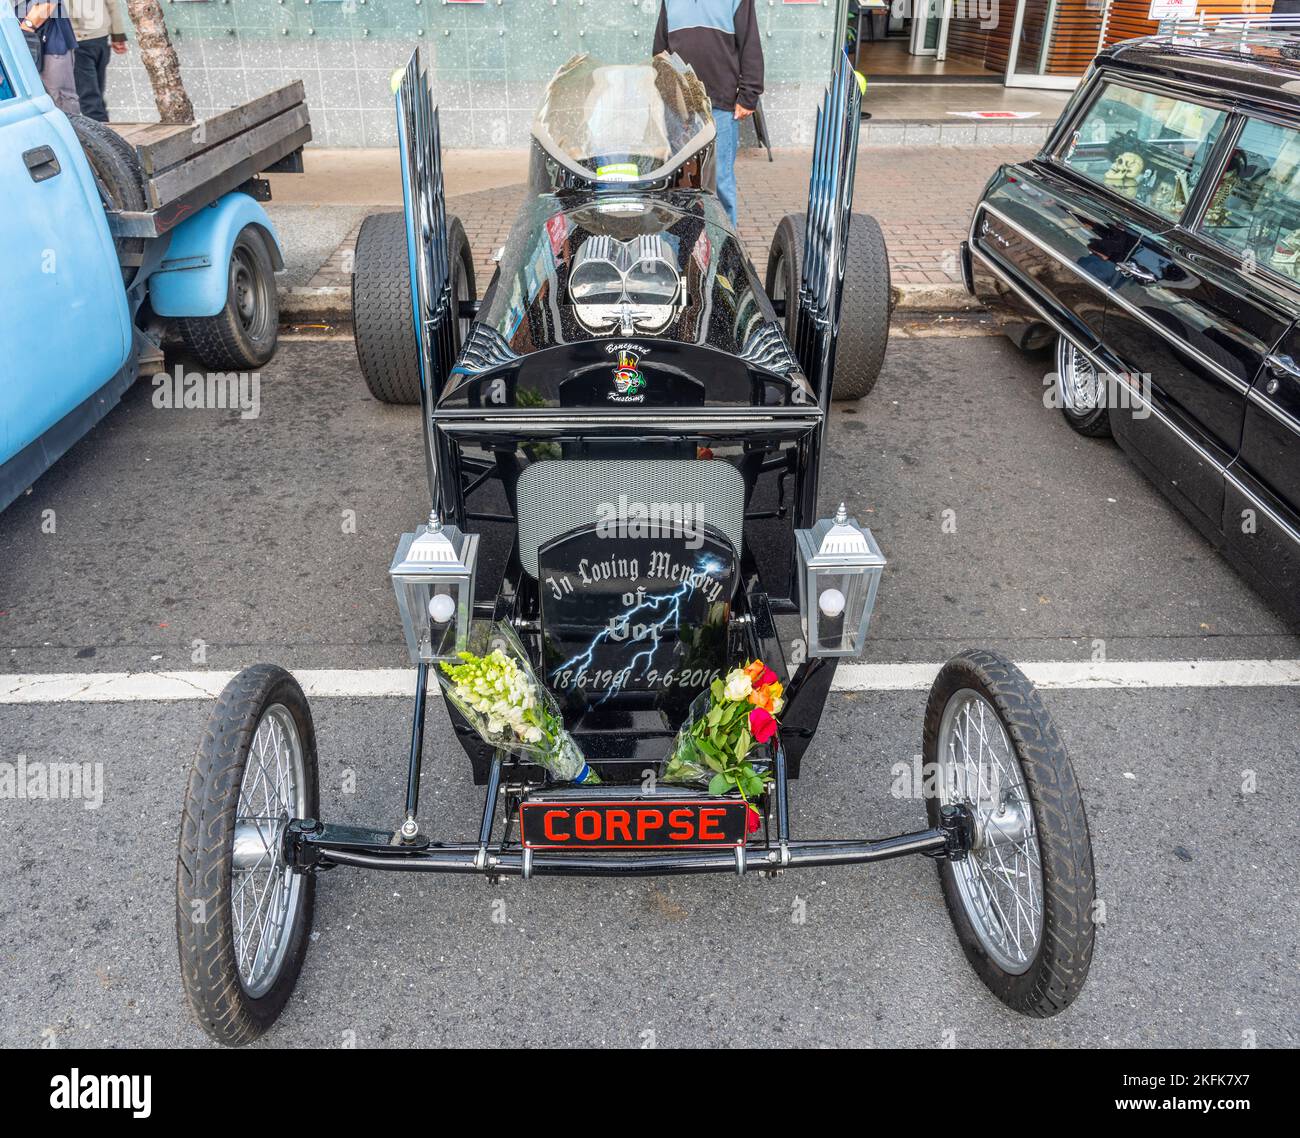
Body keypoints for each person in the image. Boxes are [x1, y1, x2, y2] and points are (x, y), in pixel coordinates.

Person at [653, 0, 764, 227]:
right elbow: (660, 52)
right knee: (679, 181)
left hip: (720, 106)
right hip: (679, 109)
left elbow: (750, 45)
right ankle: (683, 245)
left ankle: (726, 251)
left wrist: (749, 95)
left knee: (720, 182)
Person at [12, 0, 81, 114]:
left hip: (52, 44)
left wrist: (25, 29)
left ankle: (70, 131)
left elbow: (47, 5)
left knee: (58, 99)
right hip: (18, 43)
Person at [72, 0, 128, 123]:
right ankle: (107, 134)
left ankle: (102, 137)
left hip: (79, 39)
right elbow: (112, 4)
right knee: (95, 95)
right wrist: (117, 35)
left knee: (90, 98)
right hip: (100, 38)